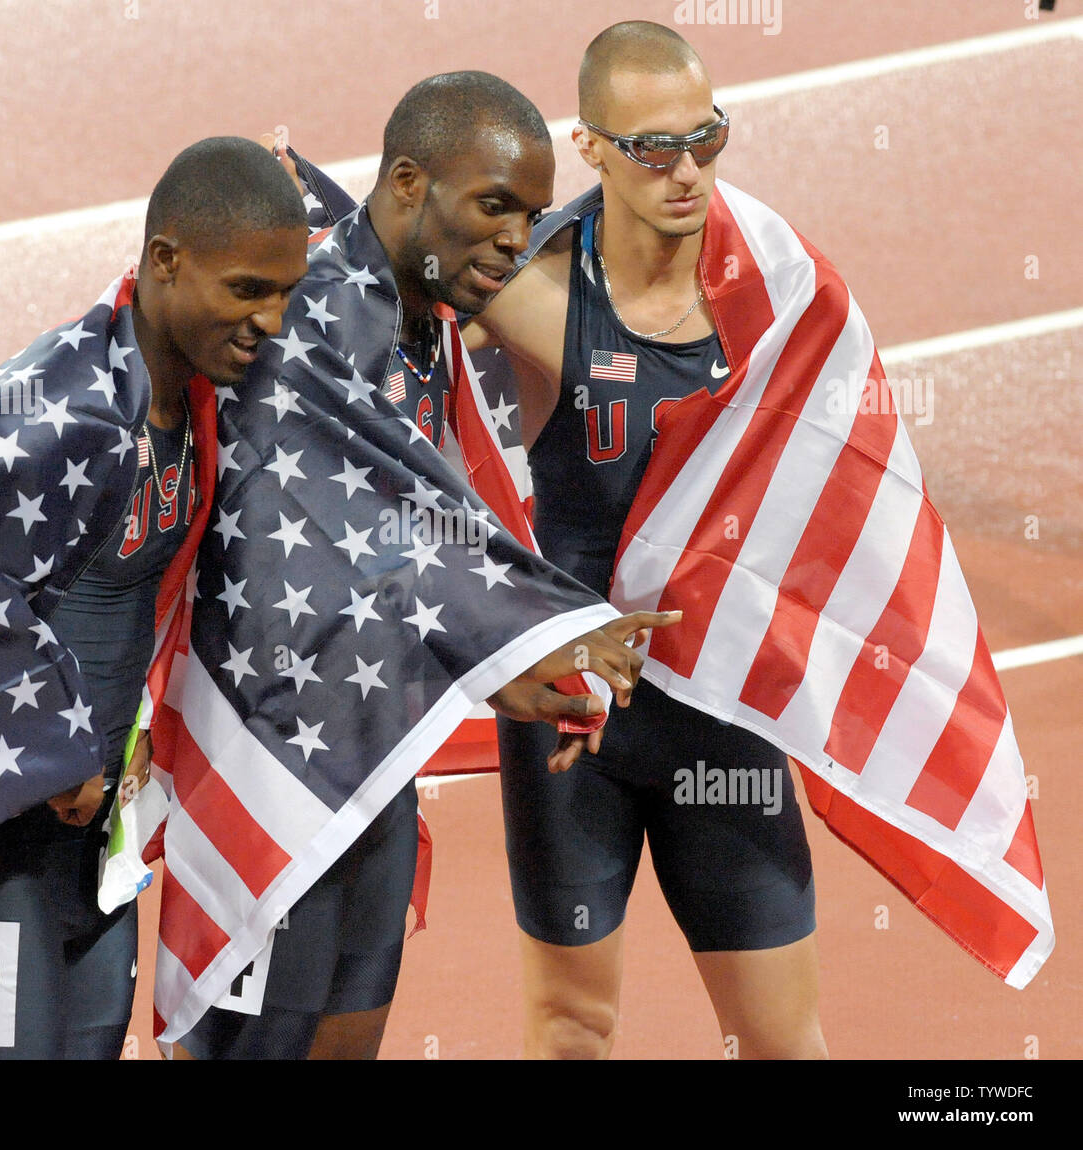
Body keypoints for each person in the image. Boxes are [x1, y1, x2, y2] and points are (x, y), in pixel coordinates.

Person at [165, 71, 679, 1061]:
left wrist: (513, 664)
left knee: (349, 1044)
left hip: (370, 761)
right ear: (407, 183)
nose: (512, 240)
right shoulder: (303, 321)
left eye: (527, 216)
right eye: (490, 206)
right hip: (276, 760)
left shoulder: (421, 321)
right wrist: (523, 634)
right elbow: (325, 539)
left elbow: (404, 535)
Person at [0, 137, 312, 1058]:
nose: (273, 321)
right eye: (248, 290)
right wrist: (55, 745)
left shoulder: (191, 394)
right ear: (164, 261)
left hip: (82, 833)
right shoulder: (59, 413)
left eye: (286, 292)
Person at [459, 24, 829, 1059]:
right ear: (589, 148)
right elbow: (378, 332)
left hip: (720, 707)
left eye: (704, 138)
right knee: (572, 1028)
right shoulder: (527, 294)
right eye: (650, 148)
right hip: (574, 715)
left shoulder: (773, 285)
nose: (684, 170)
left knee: (781, 1039)